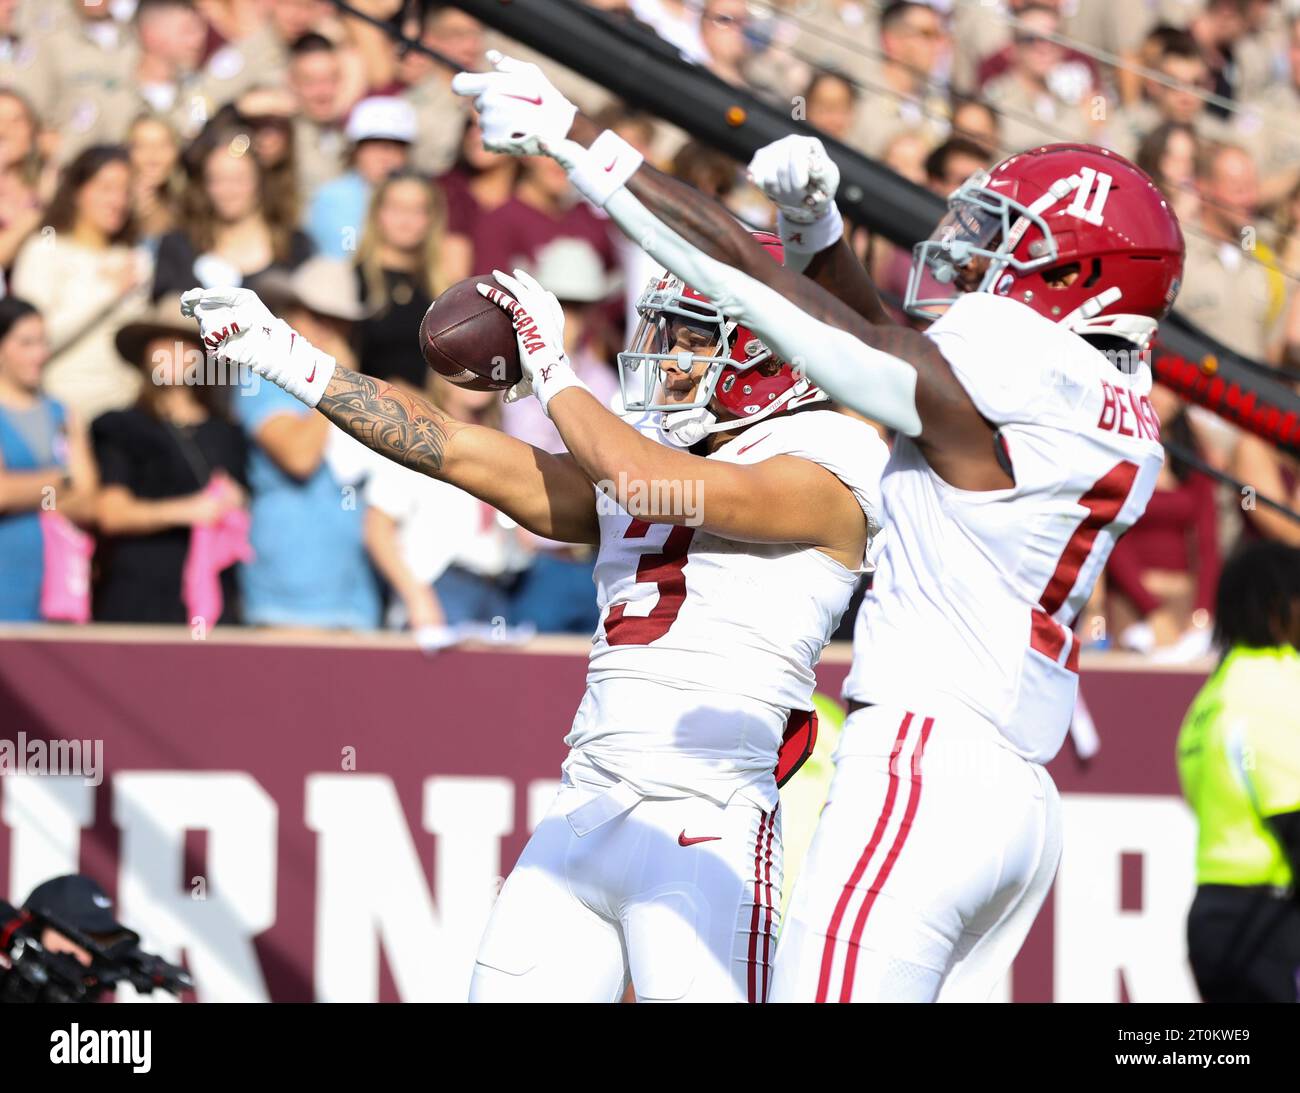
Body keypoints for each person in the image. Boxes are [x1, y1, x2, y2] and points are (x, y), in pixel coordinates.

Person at [451, 52, 1181, 1001]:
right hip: (1019, 798)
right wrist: (819, 229)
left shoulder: (1017, 361)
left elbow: (780, 306)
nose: (984, 258)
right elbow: (883, 354)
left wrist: (574, 138)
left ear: (1076, 274)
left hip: (928, 763)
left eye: (1014, 243)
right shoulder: (1113, 395)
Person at [182, 224, 889, 1000]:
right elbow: (451, 447)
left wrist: (551, 369)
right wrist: (290, 359)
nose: (670, 359)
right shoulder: (649, 453)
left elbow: (642, 479)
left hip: (706, 824)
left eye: (696, 338)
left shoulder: (830, 461)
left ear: (773, 352)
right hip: (583, 807)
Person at [228, 257, 381, 631]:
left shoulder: (358, 384)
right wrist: (333, 386)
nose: (327, 330)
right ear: (290, 315)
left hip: (355, 593)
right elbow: (299, 457)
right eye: (317, 316)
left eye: (338, 320)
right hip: (287, 593)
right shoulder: (262, 377)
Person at [1177, 540, 1300, 1002]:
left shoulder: (1211, 695)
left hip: (1211, 916)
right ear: (1278, 610)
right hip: (1268, 920)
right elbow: (1291, 811)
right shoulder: (1276, 681)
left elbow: (1194, 791)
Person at [92, 295, 247, 624]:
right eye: (161, 342)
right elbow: (112, 513)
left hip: (215, 597)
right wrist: (188, 510)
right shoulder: (121, 426)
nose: (172, 353)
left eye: (183, 343)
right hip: (141, 592)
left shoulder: (228, 432)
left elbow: (245, 503)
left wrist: (236, 501)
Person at [365, 376, 529, 632]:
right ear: (441, 375)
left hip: (495, 592)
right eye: (462, 364)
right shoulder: (416, 436)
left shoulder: (502, 443)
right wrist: (416, 596)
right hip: (439, 591)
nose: (475, 375)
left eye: (485, 364)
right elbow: (376, 530)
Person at [10, 144, 150, 421]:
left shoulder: (136, 258)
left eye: (125, 190)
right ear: (77, 191)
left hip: (128, 412)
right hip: (67, 414)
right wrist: (108, 292)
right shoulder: (44, 250)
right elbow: (30, 341)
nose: (117, 201)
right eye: (105, 188)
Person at [0, 296, 96, 622]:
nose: (39, 354)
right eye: (26, 343)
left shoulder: (63, 413)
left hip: (57, 589)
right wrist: (63, 479)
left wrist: (26, 490)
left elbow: (89, 500)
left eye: (43, 343)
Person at [153, 128, 313, 301]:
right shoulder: (179, 246)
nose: (227, 191)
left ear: (259, 181)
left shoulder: (294, 247)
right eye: (217, 180)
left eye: (238, 179)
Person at [354, 171, 450, 389]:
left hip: (429, 414)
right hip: (365, 409)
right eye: (396, 208)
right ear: (377, 213)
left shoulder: (442, 289)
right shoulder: (351, 281)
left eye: (417, 210)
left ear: (432, 218)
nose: (405, 219)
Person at [306, 95, 416, 260]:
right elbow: (343, 254)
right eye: (375, 146)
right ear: (356, 150)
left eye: (397, 147)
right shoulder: (334, 197)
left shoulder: (417, 196)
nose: (386, 158)